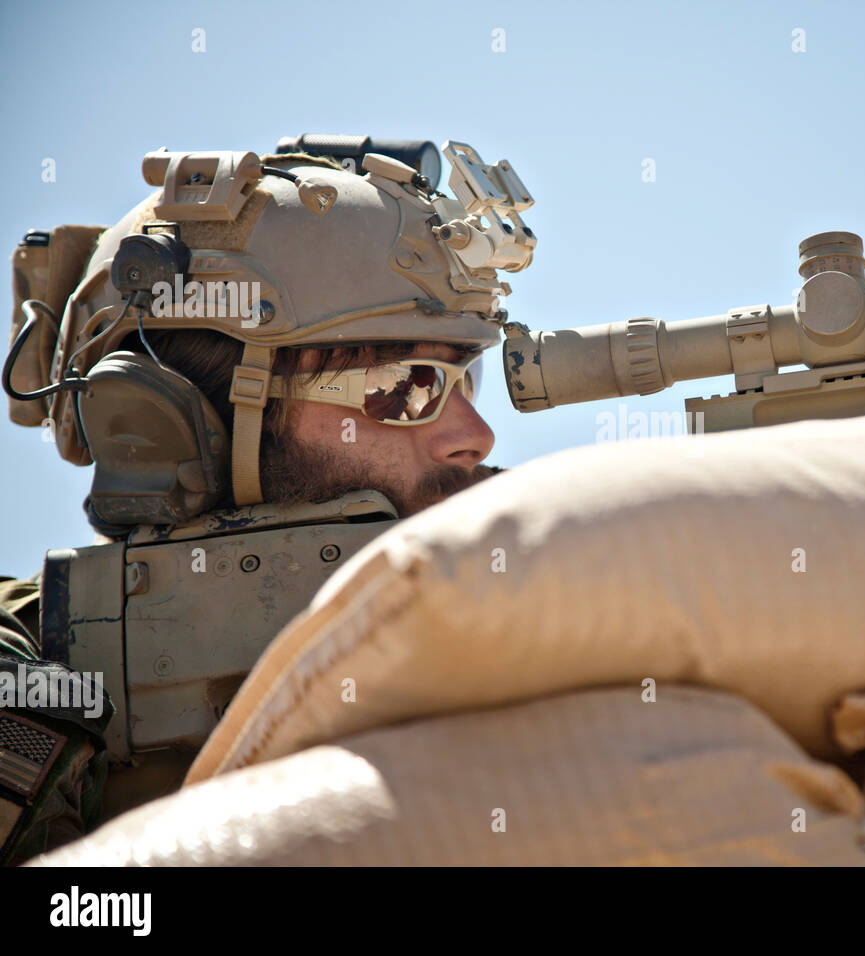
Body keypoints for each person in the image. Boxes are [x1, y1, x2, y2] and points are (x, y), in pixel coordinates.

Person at [0, 140, 535, 863]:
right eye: (408, 388)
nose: (474, 436)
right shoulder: (22, 680)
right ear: (171, 423)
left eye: (463, 383)